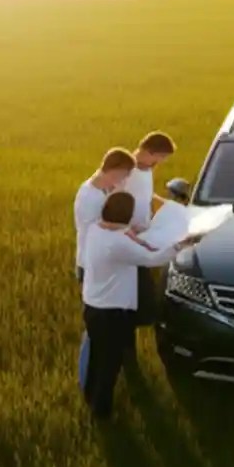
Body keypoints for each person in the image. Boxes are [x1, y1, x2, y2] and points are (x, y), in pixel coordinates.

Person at [81, 191, 202, 420]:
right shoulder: (118, 244)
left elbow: (119, 234)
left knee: (97, 358)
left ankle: (91, 398)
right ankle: (102, 412)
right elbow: (152, 259)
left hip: (93, 306)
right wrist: (181, 246)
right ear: (126, 216)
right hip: (112, 313)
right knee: (111, 363)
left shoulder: (96, 229)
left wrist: (131, 232)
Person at [122, 131, 177, 339]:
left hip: (143, 237)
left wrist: (166, 205)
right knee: (136, 298)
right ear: (149, 151)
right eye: (160, 157)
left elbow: (144, 195)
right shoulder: (126, 171)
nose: (160, 163)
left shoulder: (145, 170)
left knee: (142, 299)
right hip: (129, 240)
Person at [73, 148, 136, 283]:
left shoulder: (105, 187)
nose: (125, 178)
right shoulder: (88, 196)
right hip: (90, 264)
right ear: (114, 171)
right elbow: (95, 230)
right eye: (124, 174)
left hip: (104, 261)